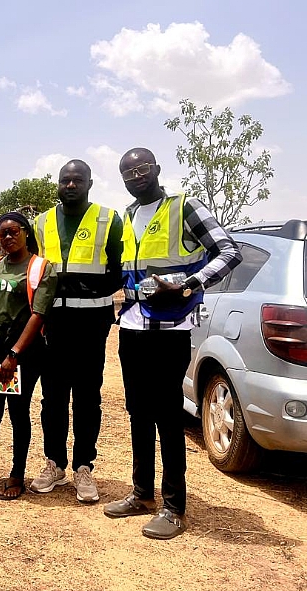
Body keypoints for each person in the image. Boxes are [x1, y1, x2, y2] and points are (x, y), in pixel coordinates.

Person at [103, 148, 241, 540]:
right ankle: (142, 493)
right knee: (138, 413)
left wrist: (191, 283)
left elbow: (229, 250)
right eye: (127, 171)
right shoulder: (127, 217)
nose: (135, 176)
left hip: (170, 331)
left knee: (167, 415)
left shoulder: (185, 206)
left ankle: (174, 506)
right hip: (131, 328)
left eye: (142, 168)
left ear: (157, 169)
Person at [30, 160, 123, 503]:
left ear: (89, 183)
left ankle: (84, 466)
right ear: (58, 184)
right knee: (52, 397)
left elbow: (119, 268)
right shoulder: (42, 222)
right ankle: (54, 463)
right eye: (65, 180)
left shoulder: (108, 219)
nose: (71, 185)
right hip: (52, 322)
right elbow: (35, 270)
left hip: (92, 322)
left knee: (87, 397)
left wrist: (88, 289)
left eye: (77, 180)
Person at [0, 212, 56, 501]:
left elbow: (38, 315)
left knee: (19, 413)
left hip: (25, 353)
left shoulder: (41, 268)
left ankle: (17, 475)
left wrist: (14, 355)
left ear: (26, 232)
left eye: (13, 231)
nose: (7, 237)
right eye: (2, 233)